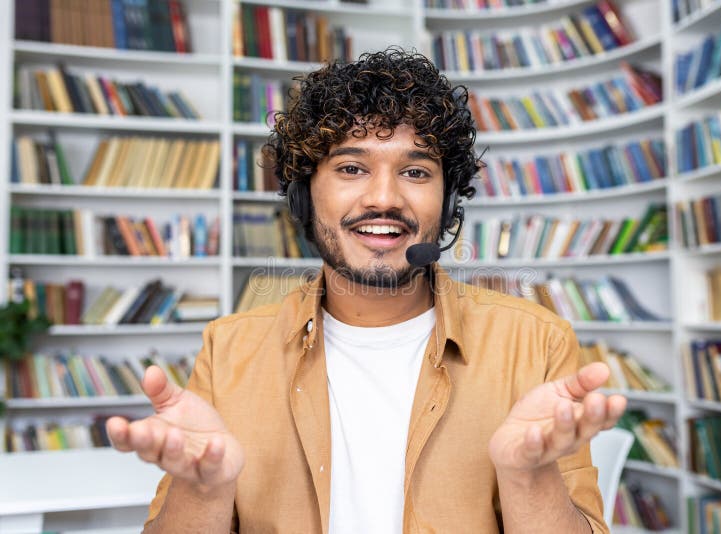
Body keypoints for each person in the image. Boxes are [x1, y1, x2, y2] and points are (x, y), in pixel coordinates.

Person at [106, 48, 627, 533]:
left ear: (448, 203)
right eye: (351, 168)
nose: (383, 198)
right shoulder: (229, 351)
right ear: (305, 194)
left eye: (415, 171)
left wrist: (528, 479)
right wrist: (203, 491)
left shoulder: (536, 343)